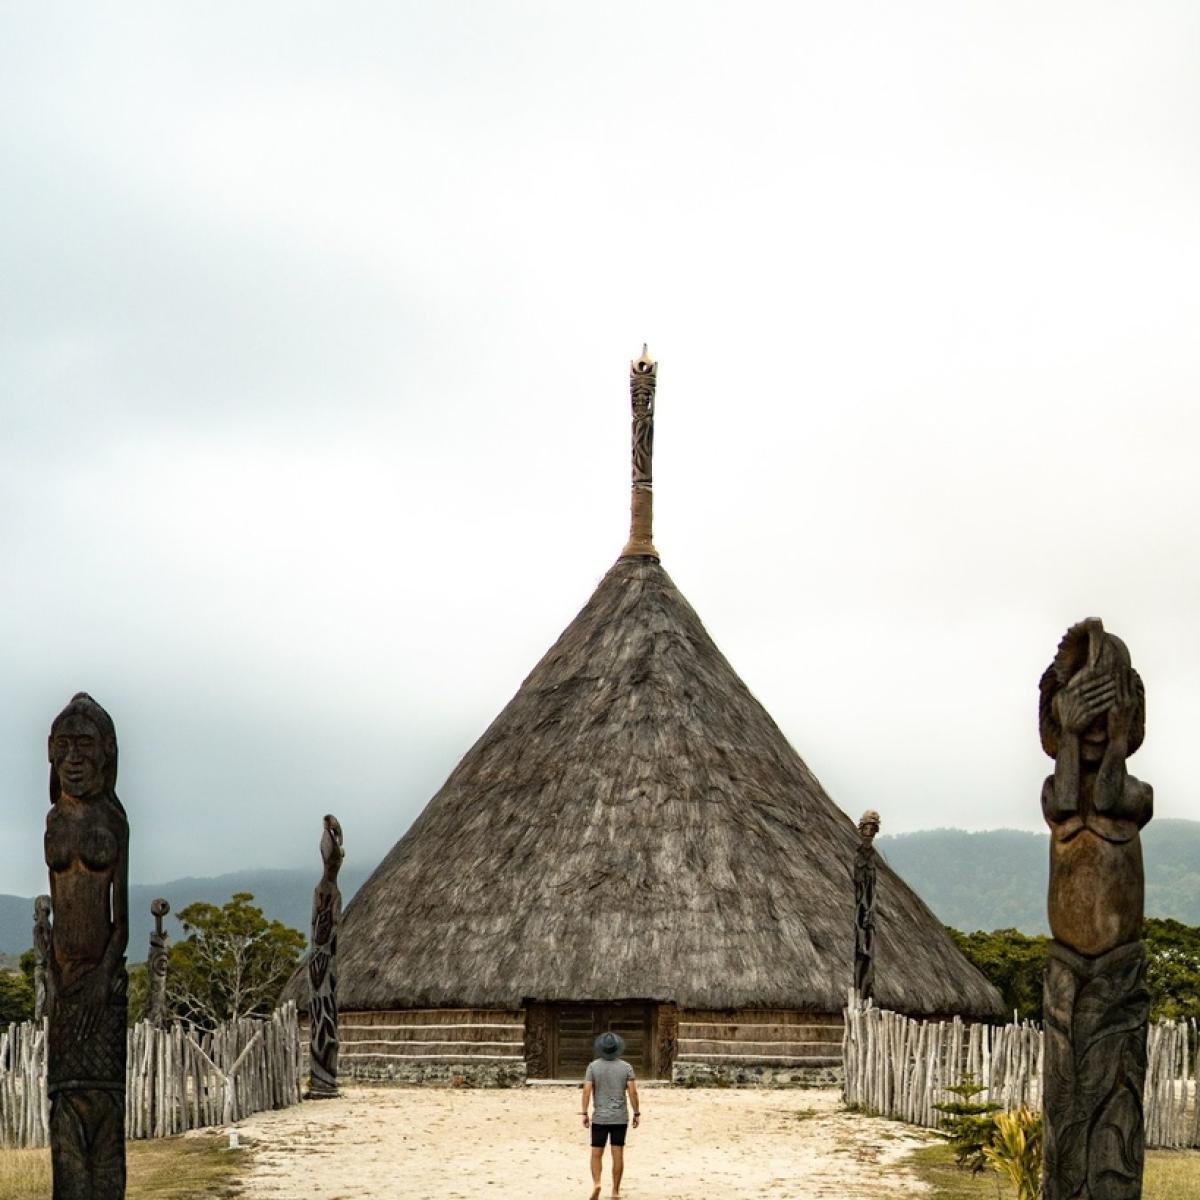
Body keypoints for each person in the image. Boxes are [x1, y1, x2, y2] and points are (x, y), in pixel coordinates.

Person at [580, 1031, 640, 1200]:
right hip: (620, 1117)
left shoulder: (593, 1067)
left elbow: (586, 1091)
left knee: (596, 1153)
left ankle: (597, 1183)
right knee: (618, 1152)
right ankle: (615, 1191)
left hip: (600, 1117)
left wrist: (584, 1112)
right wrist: (636, 1112)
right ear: (617, 1049)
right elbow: (633, 1093)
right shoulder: (627, 1067)